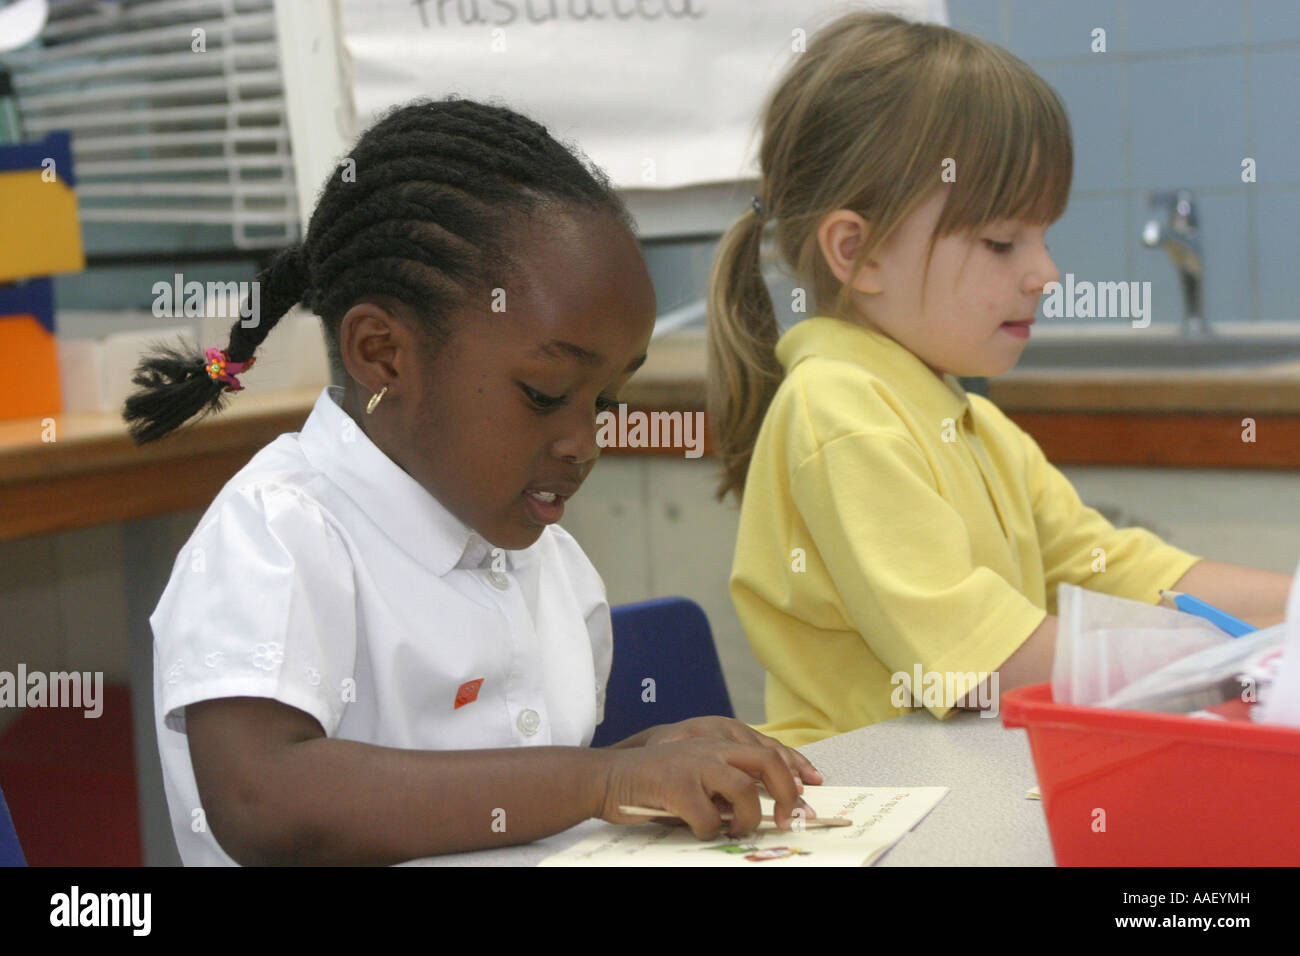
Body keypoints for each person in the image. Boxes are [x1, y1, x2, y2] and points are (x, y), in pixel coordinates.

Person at [127, 96, 821, 865]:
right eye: (545, 394)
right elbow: (267, 799)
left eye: (608, 401)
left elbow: (497, 808)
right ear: (383, 354)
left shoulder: (542, 557)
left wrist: (646, 762)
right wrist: (600, 778)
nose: (586, 442)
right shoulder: (278, 533)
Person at [706, 11, 1294, 747]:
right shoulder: (840, 410)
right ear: (860, 252)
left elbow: (1123, 571)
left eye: (1043, 237)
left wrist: (1291, 610)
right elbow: (986, 660)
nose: (1045, 273)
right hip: (860, 807)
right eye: (1001, 242)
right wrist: (1226, 666)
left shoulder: (971, 423)